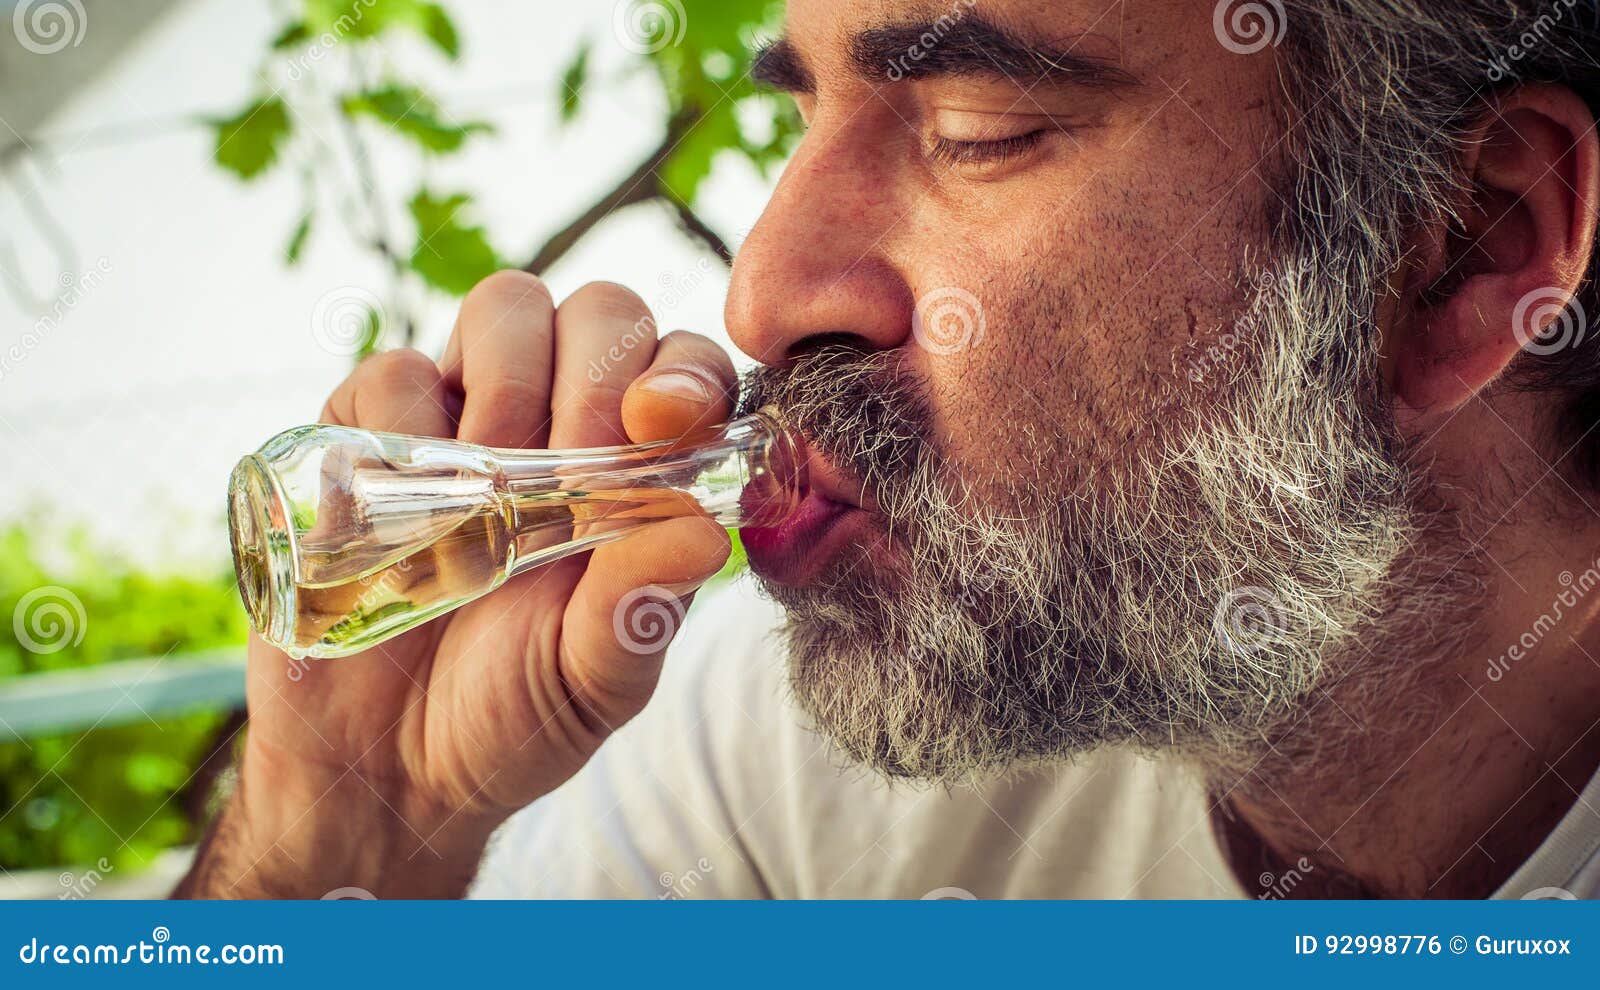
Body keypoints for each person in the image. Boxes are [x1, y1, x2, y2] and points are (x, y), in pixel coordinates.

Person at [175, 0, 1600, 900]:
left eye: (981, 130)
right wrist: (339, 850)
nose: (760, 292)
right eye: (798, 118)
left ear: (1466, 250)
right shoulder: (771, 748)